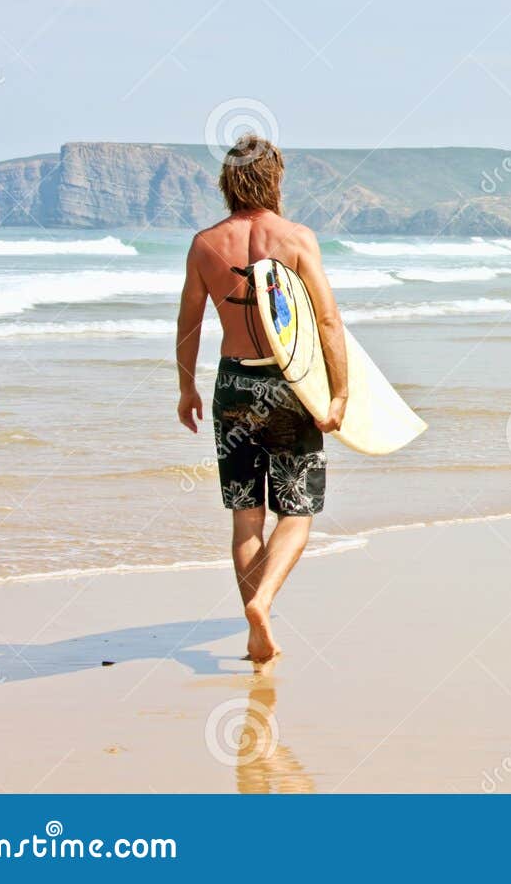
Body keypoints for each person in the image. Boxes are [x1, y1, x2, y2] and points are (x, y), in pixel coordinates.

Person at [174, 134, 348, 664]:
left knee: (246, 518)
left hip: (233, 384)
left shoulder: (205, 244)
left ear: (228, 182)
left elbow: (189, 323)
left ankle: (256, 624)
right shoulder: (296, 239)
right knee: (296, 512)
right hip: (289, 385)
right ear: (274, 179)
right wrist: (338, 393)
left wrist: (187, 387)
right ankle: (265, 603)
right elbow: (324, 320)